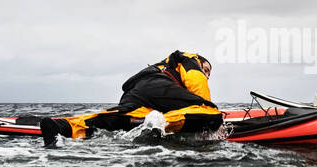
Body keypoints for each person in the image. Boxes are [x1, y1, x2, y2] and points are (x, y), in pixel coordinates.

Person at [41, 51, 222, 145]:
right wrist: (208, 110)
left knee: (119, 118)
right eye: (206, 70)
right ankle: (157, 125)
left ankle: (61, 126)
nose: (206, 76)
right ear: (200, 62)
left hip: (138, 92)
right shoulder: (191, 59)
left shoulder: (163, 66)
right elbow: (200, 94)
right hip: (159, 86)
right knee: (211, 114)